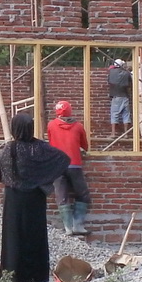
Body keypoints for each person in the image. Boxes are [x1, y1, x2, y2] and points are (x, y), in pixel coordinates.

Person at [0, 112, 71, 282]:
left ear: (15, 128)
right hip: (36, 198)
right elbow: (63, 159)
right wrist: (42, 180)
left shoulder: (11, 149)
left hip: (15, 200)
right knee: (36, 238)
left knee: (14, 239)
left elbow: (0, 166)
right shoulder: (41, 148)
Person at [46, 100, 92, 235]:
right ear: (70, 111)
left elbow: (50, 142)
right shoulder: (78, 126)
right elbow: (85, 146)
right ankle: (78, 225)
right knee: (82, 194)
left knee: (62, 195)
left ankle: (68, 228)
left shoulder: (51, 125)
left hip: (57, 165)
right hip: (74, 164)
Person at [107, 57, 132, 139]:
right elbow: (129, 83)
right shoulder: (126, 73)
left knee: (114, 114)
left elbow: (109, 81)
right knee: (126, 115)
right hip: (125, 96)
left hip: (116, 96)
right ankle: (126, 134)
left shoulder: (111, 72)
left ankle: (113, 134)